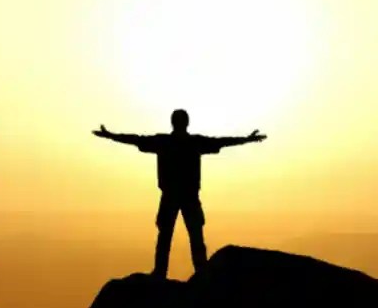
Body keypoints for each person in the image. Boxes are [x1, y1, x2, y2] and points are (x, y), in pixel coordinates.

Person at [93, 109, 266, 277]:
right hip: (187, 196)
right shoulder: (192, 142)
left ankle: (163, 271)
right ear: (187, 123)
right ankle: (199, 271)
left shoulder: (164, 142)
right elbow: (220, 142)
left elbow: (135, 139)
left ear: (172, 122)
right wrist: (247, 139)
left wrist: (110, 135)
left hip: (172, 196)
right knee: (193, 235)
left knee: (168, 235)